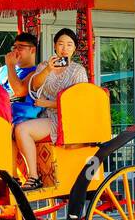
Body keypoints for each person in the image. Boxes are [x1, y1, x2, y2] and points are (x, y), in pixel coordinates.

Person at [14, 27, 88, 191]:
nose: (64, 48)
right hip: (45, 115)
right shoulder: (44, 66)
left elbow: (77, 103)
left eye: (69, 45)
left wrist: (47, 104)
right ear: (55, 46)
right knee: (12, 127)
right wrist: (48, 69)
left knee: (22, 130)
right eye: (61, 44)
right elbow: (34, 86)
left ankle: (33, 176)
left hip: (66, 119)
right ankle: (14, 174)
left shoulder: (78, 71)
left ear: (74, 49)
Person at [0, 32, 42, 124]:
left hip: (20, 118)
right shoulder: (4, 69)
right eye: (14, 47)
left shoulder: (37, 72)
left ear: (32, 50)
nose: (15, 51)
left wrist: (10, 65)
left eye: (20, 47)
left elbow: (19, 91)